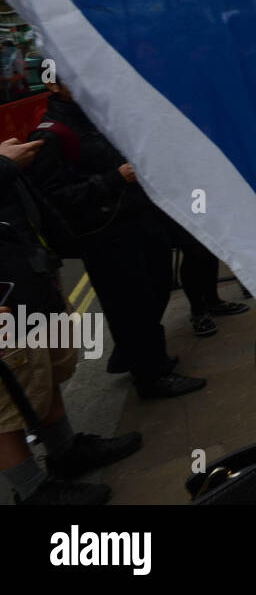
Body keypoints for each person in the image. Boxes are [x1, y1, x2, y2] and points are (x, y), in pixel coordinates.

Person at [23, 82, 205, 398]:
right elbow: (54, 198)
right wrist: (114, 178)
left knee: (156, 288)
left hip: (137, 219)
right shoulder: (51, 134)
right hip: (106, 234)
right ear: (52, 83)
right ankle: (151, 376)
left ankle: (134, 355)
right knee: (131, 305)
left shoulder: (98, 114)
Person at [1, 137, 143, 504]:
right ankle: (32, 490)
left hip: (25, 272)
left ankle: (65, 452)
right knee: (7, 399)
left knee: (43, 372)